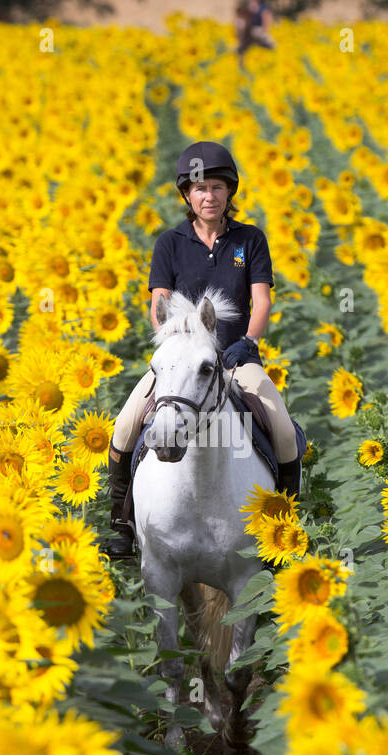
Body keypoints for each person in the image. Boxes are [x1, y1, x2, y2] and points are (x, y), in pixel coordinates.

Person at [105, 141, 301, 560]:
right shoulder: (169, 244)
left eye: (216, 187)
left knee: (283, 431)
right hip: (181, 364)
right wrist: (177, 348)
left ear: (229, 192)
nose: (208, 196)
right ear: (187, 197)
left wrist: (248, 342)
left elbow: (261, 300)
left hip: (236, 358)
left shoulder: (250, 239)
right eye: (198, 189)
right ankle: (122, 525)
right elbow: (159, 304)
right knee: (124, 427)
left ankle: (284, 529)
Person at [235, 0, 275, 70]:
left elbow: (266, 18)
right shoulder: (249, 7)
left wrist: (265, 30)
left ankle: (272, 63)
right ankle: (241, 64)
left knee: (272, 45)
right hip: (250, 30)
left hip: (258, 29)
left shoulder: (262, 7)